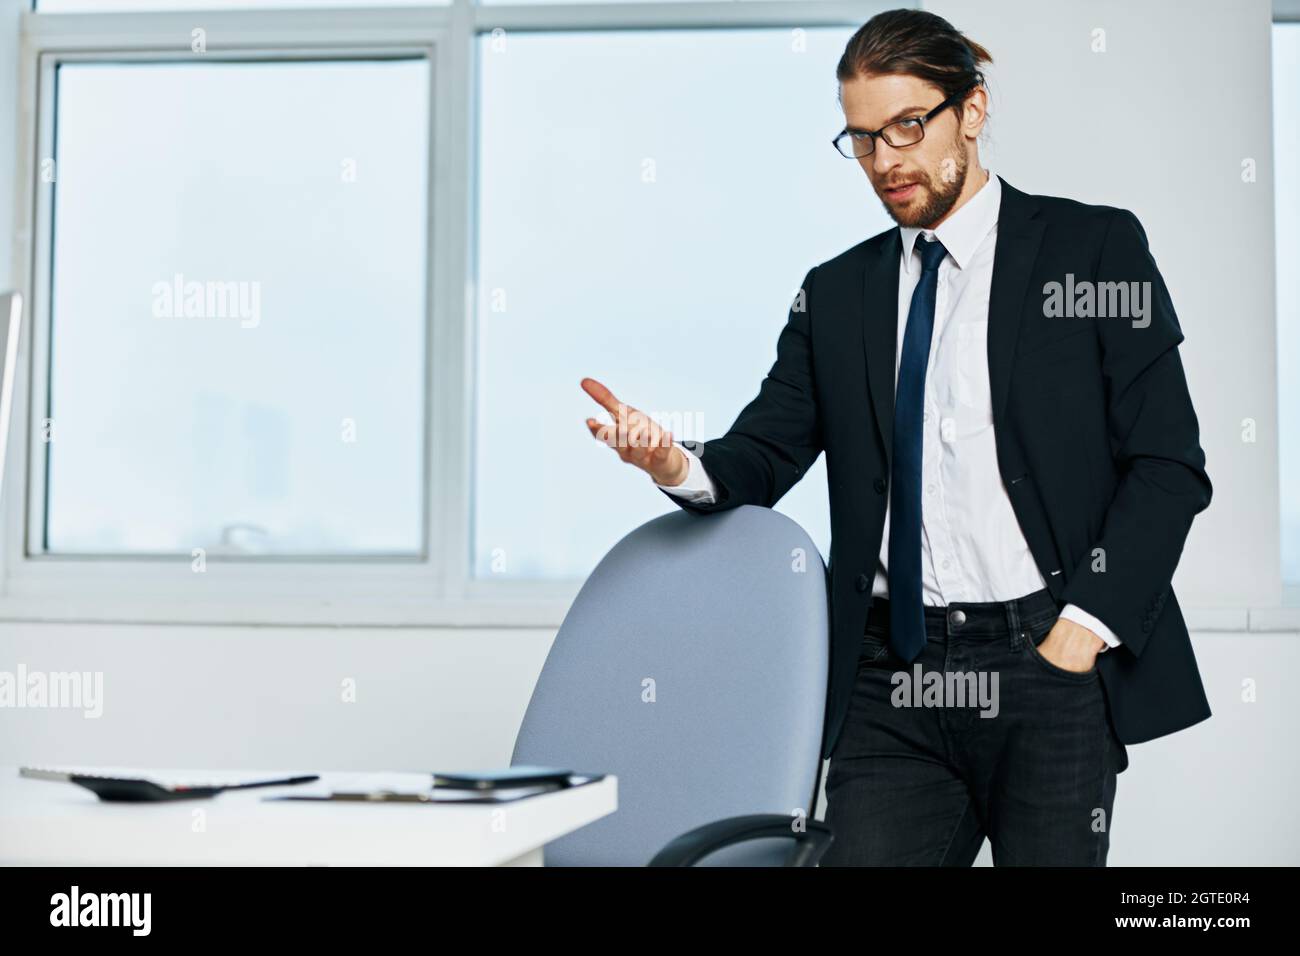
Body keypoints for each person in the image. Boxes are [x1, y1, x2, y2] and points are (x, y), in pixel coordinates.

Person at [583, 8, 1211, 866]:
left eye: (907, 127)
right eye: (863, 139)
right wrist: (674, 460)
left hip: (1046, 664)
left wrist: (1086, 626)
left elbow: (1168, 464)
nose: (886, 161)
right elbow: (764, 454)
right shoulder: (837, 294)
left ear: (974, 110)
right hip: (890, 676)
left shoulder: (1093, 249)